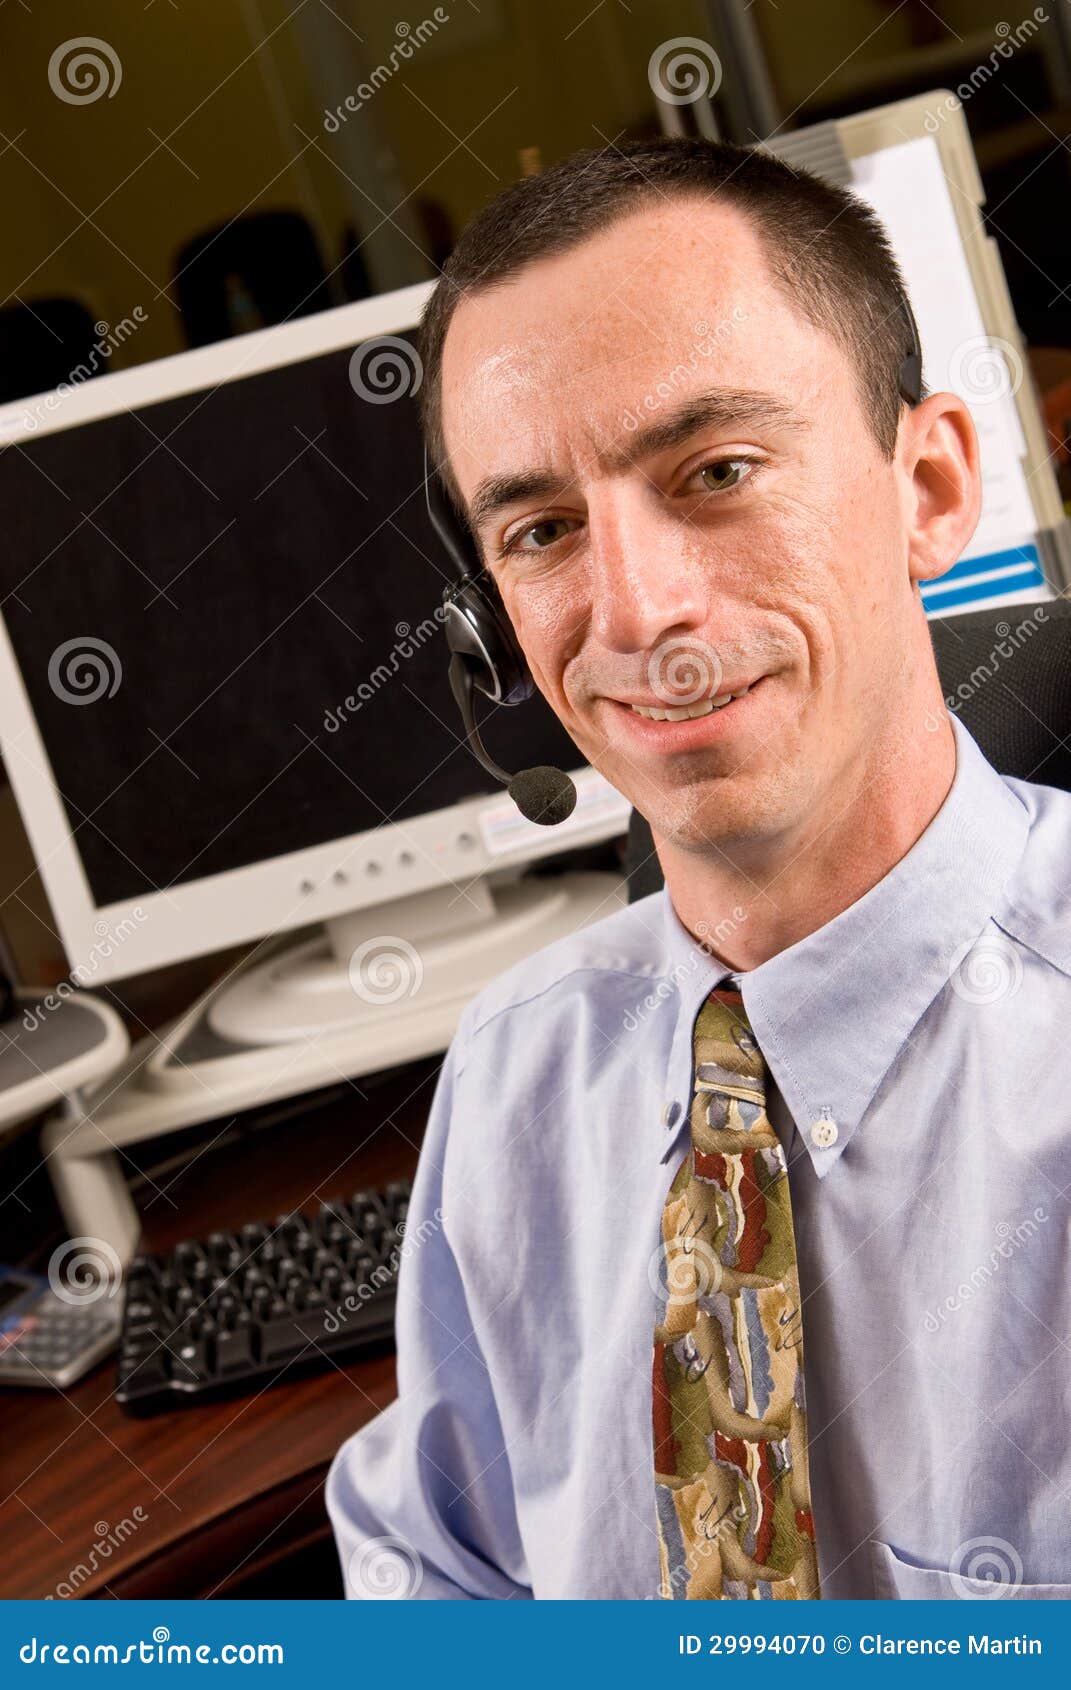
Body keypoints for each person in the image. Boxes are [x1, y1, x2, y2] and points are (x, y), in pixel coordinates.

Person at [327, 136, 1071, 1600]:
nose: (638, 607)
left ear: (928, 486)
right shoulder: (518, 1075)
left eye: (717, 470)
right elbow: (434, 1565)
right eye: (541, 529)